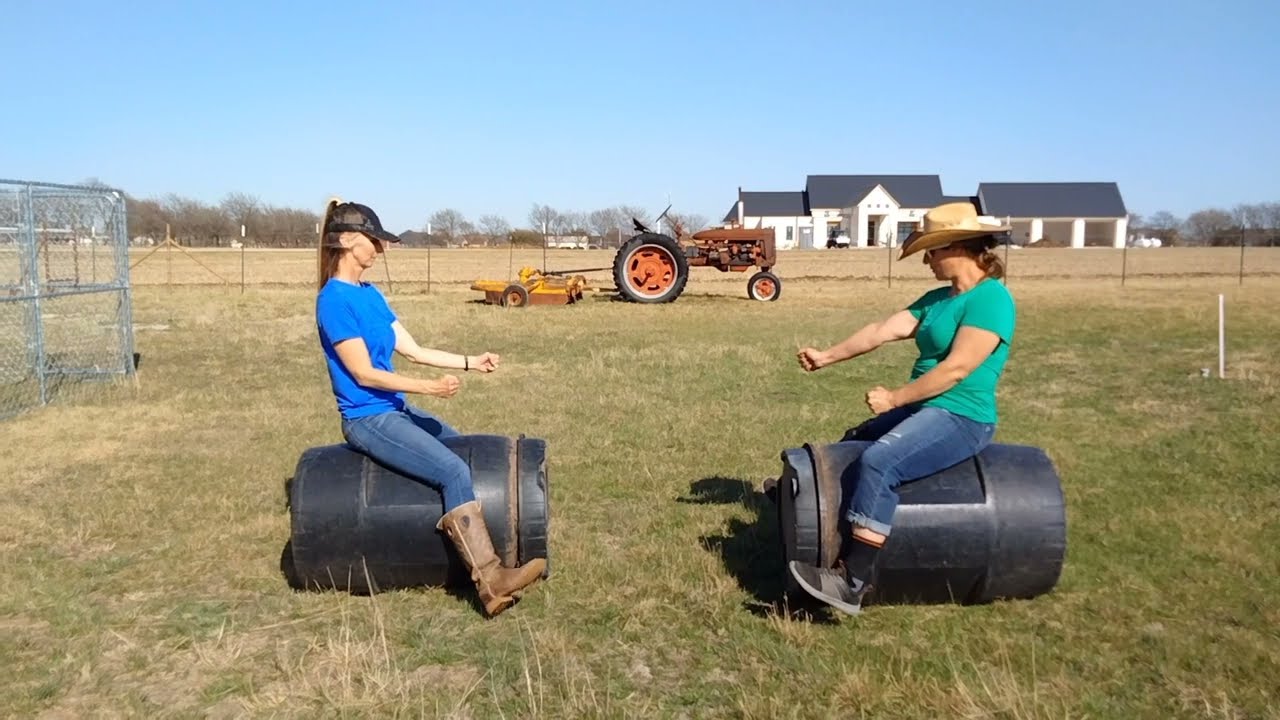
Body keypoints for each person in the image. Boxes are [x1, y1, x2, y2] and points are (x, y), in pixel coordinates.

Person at [314, 199, 546, 617]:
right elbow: (364, 374)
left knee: (457, 448)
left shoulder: (370, 295)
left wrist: (470, 361)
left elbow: (415, 350)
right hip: (367, 419)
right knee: (453, 471)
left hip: (394, 411)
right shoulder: (333, 301)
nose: (379, 250)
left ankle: (480, 555)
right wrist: (429, 389)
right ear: (348, 241)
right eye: (374, 240)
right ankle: (490, 583)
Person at [787, 201, 1017, 616]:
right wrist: (826, 356)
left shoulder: (992, 300)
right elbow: (881, 330)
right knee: (854, 441)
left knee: (879, 463)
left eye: (931, 250)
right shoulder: (938, 299)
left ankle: (853, 582)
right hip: (925, 409)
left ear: (958, 247)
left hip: (961, 416)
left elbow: (957, 369)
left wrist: (895, 398)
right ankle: (801, 513)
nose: (927, 259)